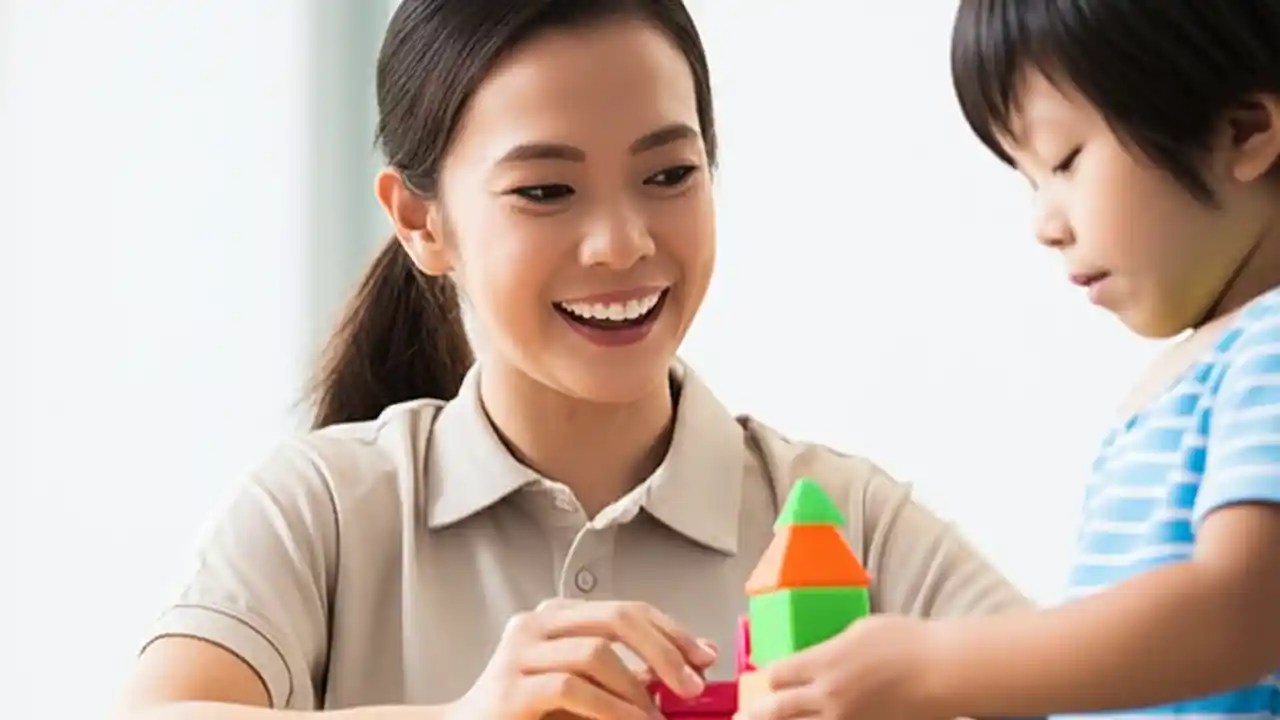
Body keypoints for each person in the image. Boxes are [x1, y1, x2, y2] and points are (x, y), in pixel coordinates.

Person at [114, 1, 1032, 718]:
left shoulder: (843, 519)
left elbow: (1118, 697)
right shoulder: (324, 510)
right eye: (546, 191)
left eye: (669, 175)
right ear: (419, 221)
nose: (621, 243)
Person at [734, 2, 1280, 720]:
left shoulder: (1268, 345)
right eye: (1030, 180)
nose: (1045, 224)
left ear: (1242, 132)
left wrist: (936, 667)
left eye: (1064, 162)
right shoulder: (1197, 371)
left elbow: (1240, 615)